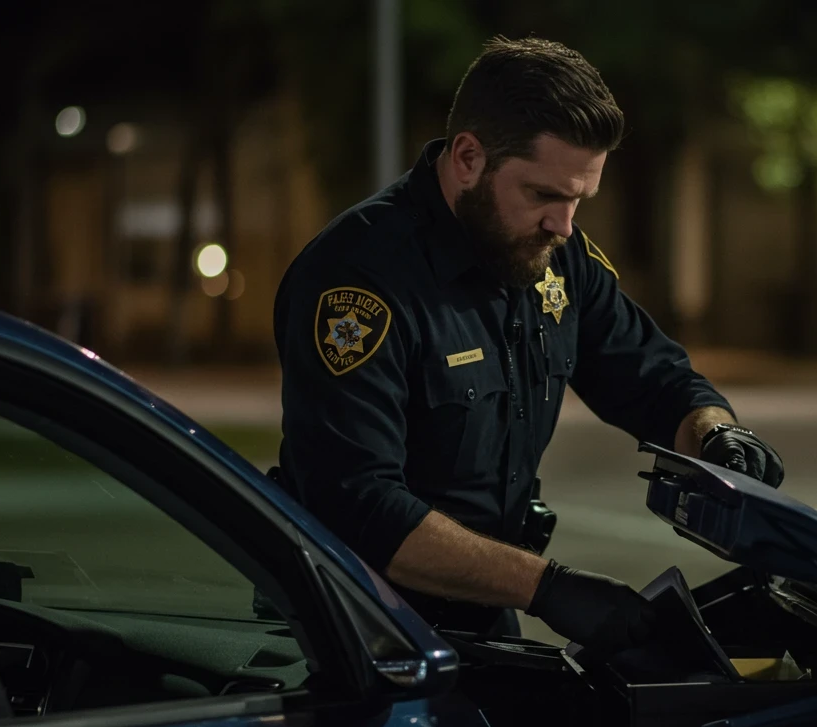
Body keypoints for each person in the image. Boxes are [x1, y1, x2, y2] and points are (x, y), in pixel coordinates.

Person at [273, 36, 783, 657]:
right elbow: (358, 506)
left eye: (577, 200)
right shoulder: (360, 281)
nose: (564, 224)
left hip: (481, 616)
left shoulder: (550, 257)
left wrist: (716, 435)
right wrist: (549, 589)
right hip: (354, 634)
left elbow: (653, 377)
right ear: (467, 158)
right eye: (544, 194)